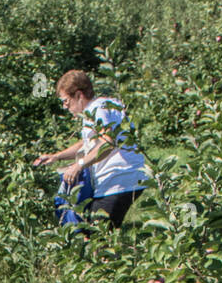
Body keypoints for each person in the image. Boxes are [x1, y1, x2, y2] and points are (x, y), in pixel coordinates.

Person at [33, 70, 148, 228]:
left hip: (119, 178)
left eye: (66, 101)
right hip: (120, 178)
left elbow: (108, 142)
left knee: (98, 235)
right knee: (94, 231)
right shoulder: (97, 110)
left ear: (79, 95)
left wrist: (79, 165)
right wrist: (57, 157)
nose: (65, 106)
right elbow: (87, 143)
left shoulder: (99, 108)